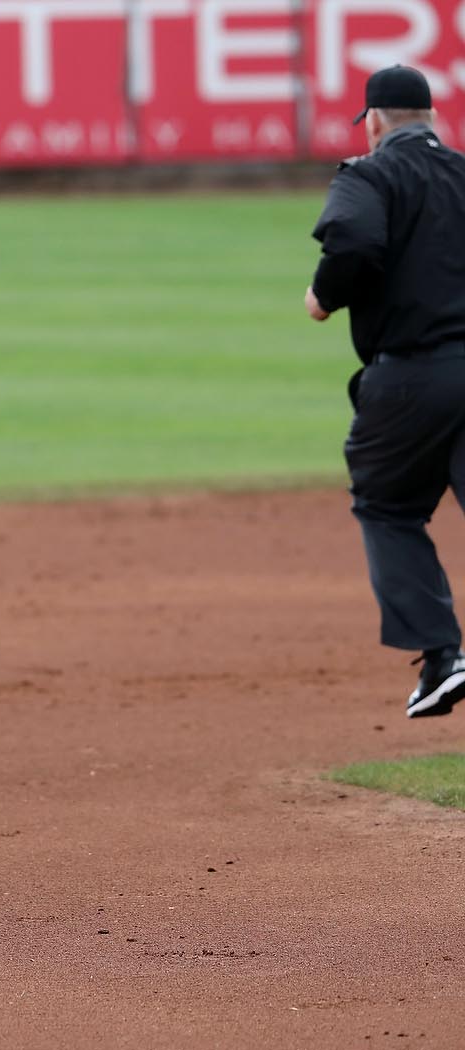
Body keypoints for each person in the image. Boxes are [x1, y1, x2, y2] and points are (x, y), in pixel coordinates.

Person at [306, 64, 465, 718]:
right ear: (433, 119)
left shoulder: (370, 174)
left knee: (388, 507)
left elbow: (353, 241)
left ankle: (443, 657)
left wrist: (324, 294)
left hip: (412, 378)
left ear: (373, 121)